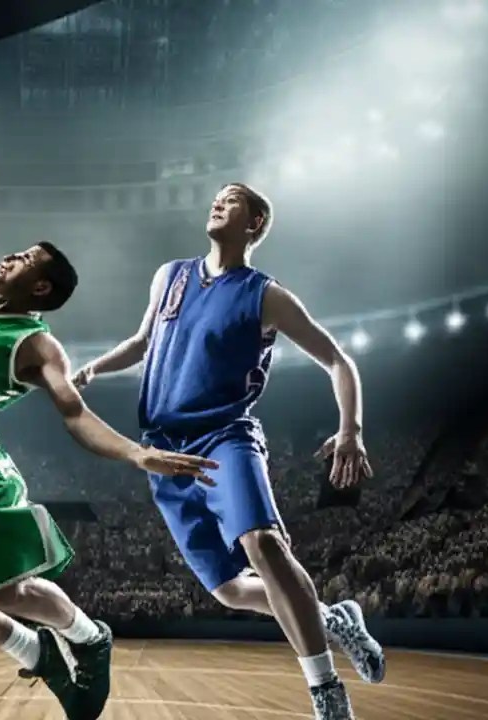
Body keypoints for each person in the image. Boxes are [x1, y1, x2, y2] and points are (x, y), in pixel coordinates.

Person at [0, 56, 218, 720]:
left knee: (7, 587)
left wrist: (136, 453)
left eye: (25, 258)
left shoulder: (36, 344)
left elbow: (74, 413)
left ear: (40, 288)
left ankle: (89, 639)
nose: (6, 255)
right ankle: (34, 653)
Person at [74, 183, 386, 719]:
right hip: (163, 452)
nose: (217, 202)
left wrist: (351, 429)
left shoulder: (266, 295)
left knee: (262, 544)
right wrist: (96, 368)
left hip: (224, 436)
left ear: (255, 222)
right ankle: (332, 621)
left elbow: (338, 360)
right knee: (229, 591)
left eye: (232, 198)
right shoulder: (169, 276)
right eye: (215, 196)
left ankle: (326, 691)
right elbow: (143, 341)